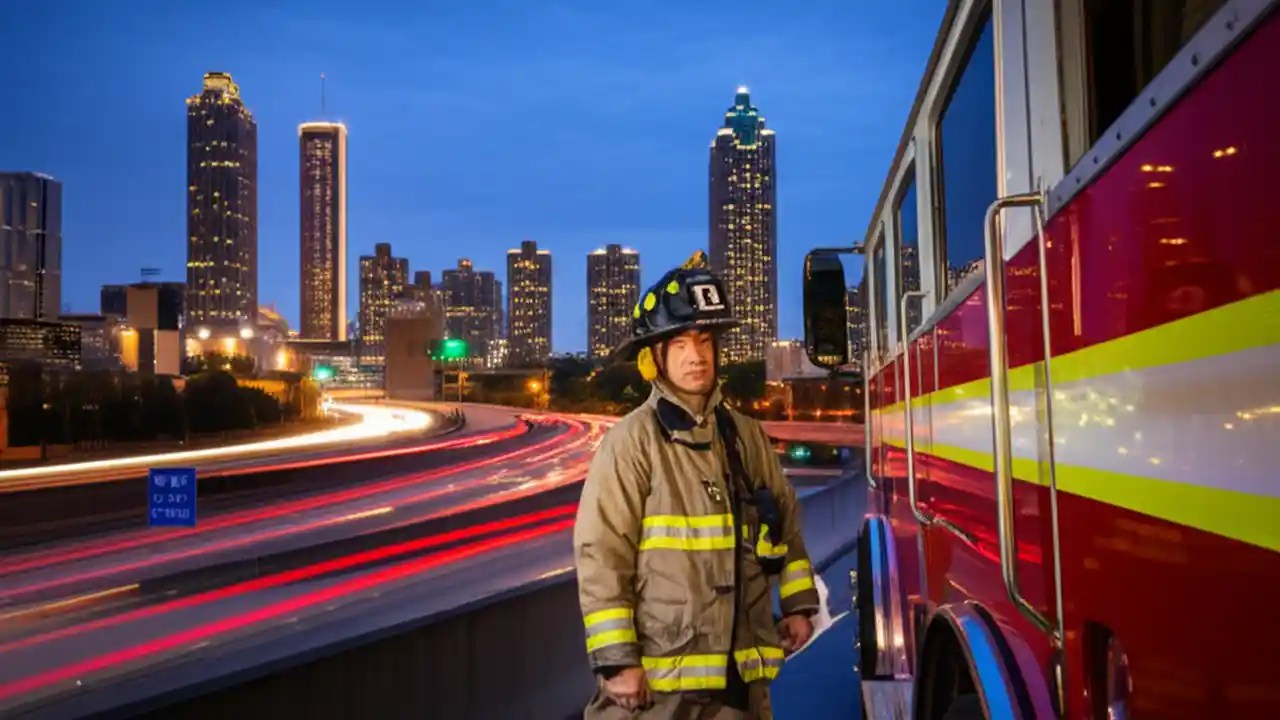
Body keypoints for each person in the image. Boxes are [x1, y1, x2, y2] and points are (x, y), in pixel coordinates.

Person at [573, 254, 819, 719]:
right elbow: (601, 555)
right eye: (680, 342)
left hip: (743, 681)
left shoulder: (746, 436)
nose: (696, 355)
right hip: (662, 688)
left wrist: (798, 605)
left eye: (704, 340)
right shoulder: (631, 442)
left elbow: (784, 528)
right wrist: (616, 661)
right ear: (654, 358)